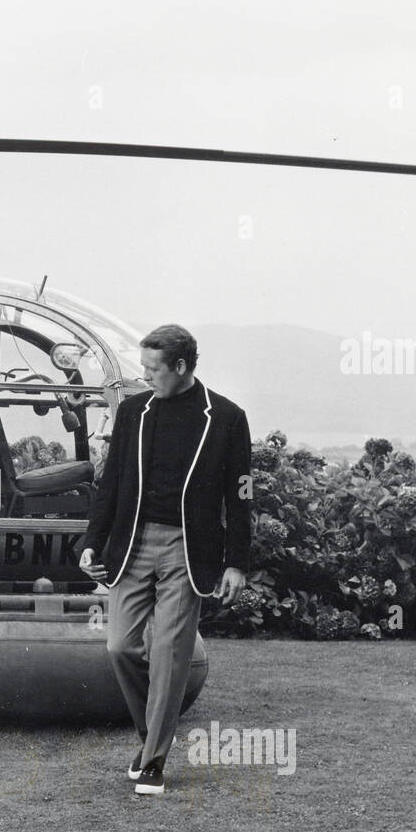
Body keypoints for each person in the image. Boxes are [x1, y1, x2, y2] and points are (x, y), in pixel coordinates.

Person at [77, 325, 251, 795]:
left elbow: (239, 499)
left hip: (188, 550)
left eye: (153, 368)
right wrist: (91, 542)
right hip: (130, 544)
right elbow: (109, 483)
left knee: (170, 654)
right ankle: (150, 735)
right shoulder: (134, 411)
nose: (145, 374)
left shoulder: (227, 418)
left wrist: (236, 562)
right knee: (119, 646)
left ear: (180, 367)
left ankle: (153, 760)